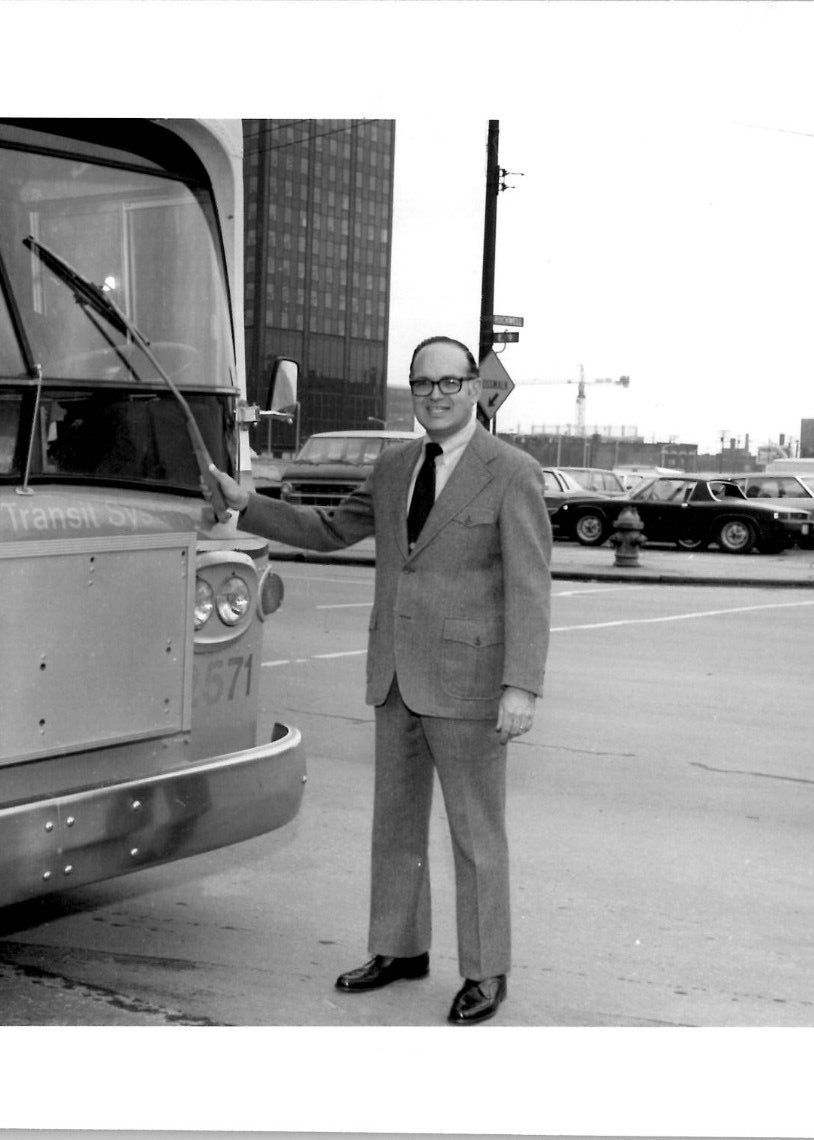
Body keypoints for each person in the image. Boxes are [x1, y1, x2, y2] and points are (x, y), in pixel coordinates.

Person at [204, 335, 551, 1025]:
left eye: (451, 382)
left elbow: (530, 587)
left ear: (477, 388)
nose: (436, 395)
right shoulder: (394, 466)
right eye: (423, 384)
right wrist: (246, 504)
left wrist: (521, 686)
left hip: (471, 681)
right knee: (395, 826)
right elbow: (331, 529)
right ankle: (399, 948)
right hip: (394, 674)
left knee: (475, 834)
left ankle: (486, 971)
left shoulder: (511, 471)